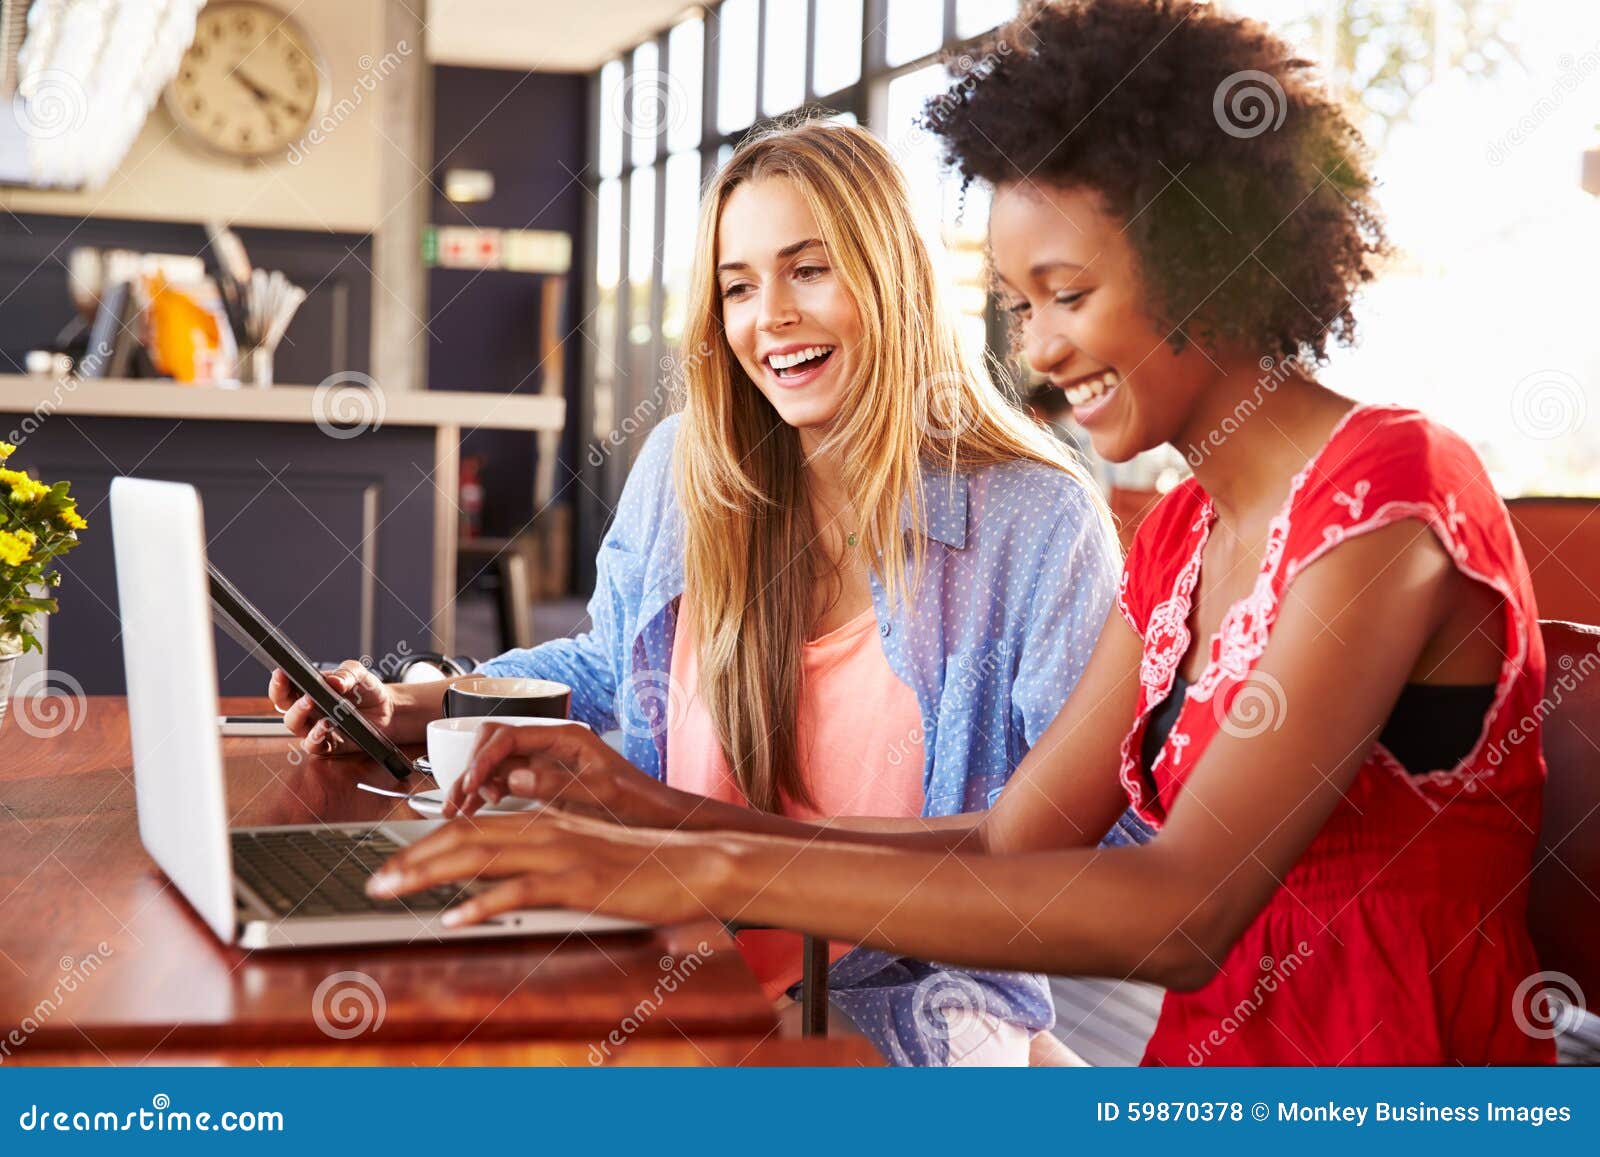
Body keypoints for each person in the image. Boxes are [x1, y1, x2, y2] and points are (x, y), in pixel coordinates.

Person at [367, 0, 1555, 1065]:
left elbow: (1180, 911)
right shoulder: (1184, 532)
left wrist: (713, 865)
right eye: (1019, 305)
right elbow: (1009, 834)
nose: (1035, 351)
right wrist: (660, 812)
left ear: (1208, 260)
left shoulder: (1389, 487)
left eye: (1069, 295)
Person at [270, 120, 1145, 1066]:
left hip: (896, 1007)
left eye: (810, 270)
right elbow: (604, 666)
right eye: (738, 286)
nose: (768, 316)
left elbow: (1098, 846)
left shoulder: (1037, 521)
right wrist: (410, 703)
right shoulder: (689, 465)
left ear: (893, 278)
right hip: (668, 958)